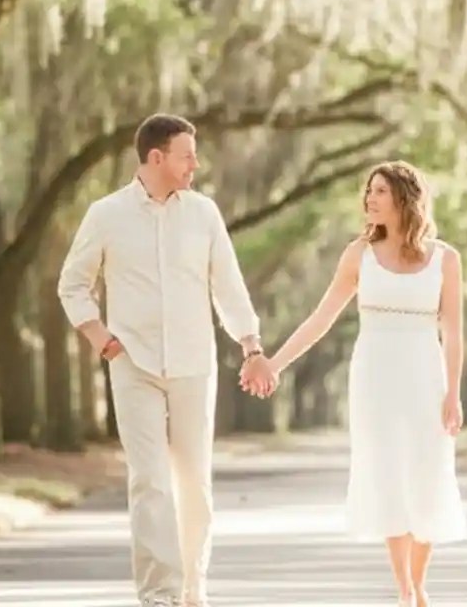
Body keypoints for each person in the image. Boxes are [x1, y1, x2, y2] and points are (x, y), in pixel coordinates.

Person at [58, 113, 277, 607]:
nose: (195, 164)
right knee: (150, 481)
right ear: (156, 158)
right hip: (131, 363)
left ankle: (193, 587)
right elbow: (72, 283)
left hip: (194, 364)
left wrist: (251, 346)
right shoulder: (106, 215)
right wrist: (101, 338)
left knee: (194, 483)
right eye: (186, 155)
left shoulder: (204, 214)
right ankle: (159, 594)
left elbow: (228, 286)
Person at [249, 160, 467, 607]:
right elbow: (321, 318)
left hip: (426, 375)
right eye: (368, 191)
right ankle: (405, 589)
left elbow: (455, 332)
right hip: (375, 376)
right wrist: (274, 362)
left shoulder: (446, 260)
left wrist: (454, 393)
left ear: (406, 198)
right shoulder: (358, 256)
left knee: (427, 475)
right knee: (388, 474)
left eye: (381, 192)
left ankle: (420, 581)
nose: (369, 199)